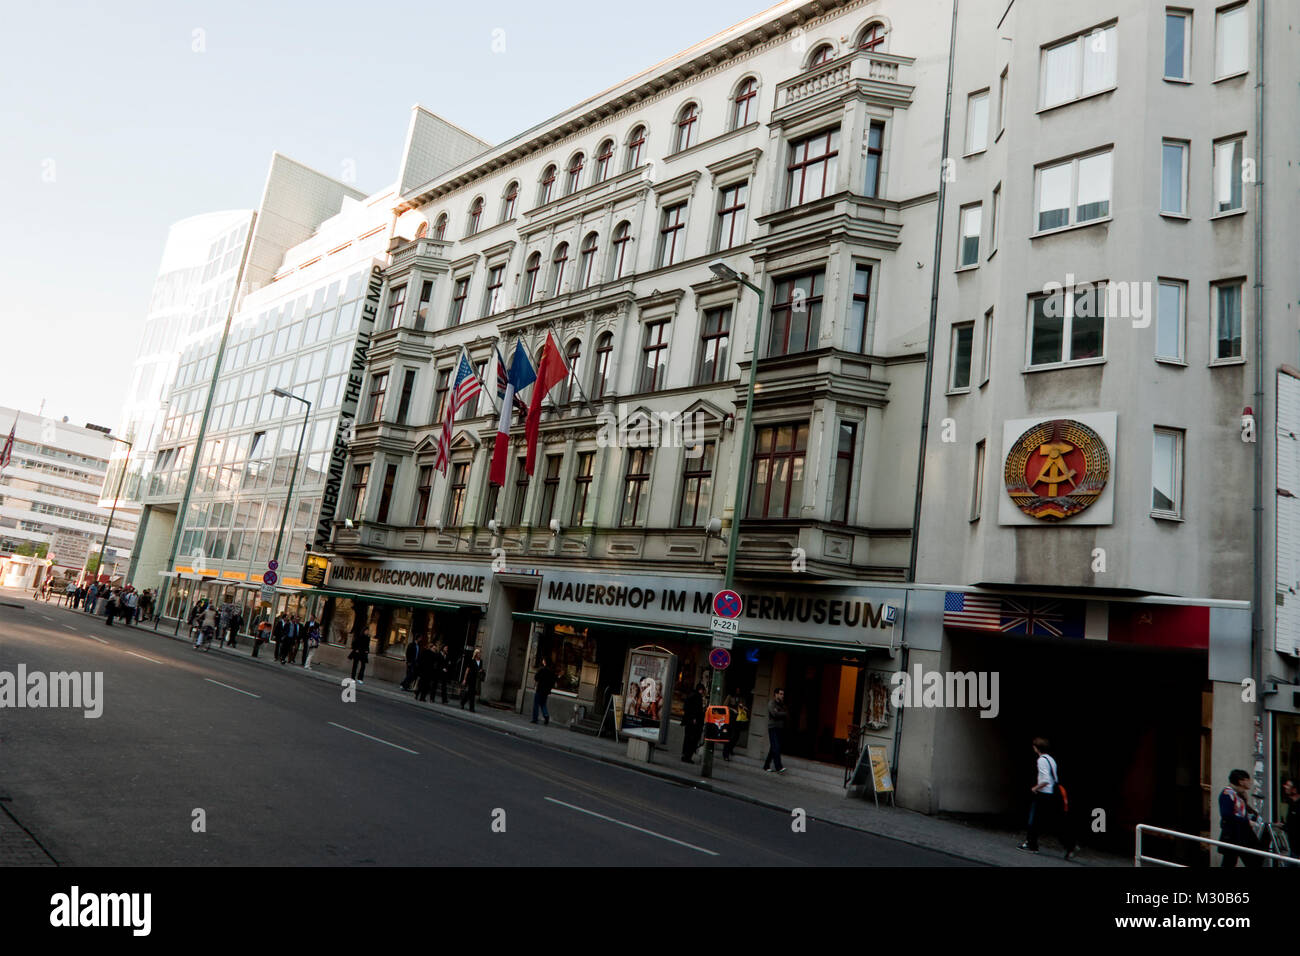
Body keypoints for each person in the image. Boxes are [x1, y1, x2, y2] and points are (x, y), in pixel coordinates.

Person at [1018, 737, 1076, 859]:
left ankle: (1031, 845)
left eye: (1034, 746)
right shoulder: (1051, 760)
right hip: (1052, 795)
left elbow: (1045, 780)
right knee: (1054, 822)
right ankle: (1069, 845)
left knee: (1033, 820)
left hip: (1043, 794)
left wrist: (1035, 788)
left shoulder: (1041, 761)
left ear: (1036, 748)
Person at [1219, 769, 1263, 867]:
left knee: (1255, 859)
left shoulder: (1239, 794)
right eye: (1248, 780)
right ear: (1241, 781)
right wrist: (1247, 822)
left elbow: (1243, 811)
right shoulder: (1228, 794)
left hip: (1243, 833)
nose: (1250, 782)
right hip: (1234, 834)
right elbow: (1227, 815)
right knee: (1231, 861)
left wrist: (1253, 817)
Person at [763, 688, 787, 774]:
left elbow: (785, 713)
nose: (782, 696)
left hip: (780, 728)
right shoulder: (771, 703)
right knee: (776, 747)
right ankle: (778, 767)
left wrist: (780, 712)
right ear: (776, 694)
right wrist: (781, 713)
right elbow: (774, 714)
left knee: (773, 748)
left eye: (783, 694)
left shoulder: (782, 704)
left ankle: (766, 765)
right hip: (773, 727)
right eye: (780, 694)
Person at [681, 683, 706, 763]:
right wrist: (694, 718)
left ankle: (685, 755)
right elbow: (697, 710)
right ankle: (688, 757)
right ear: (701, 690)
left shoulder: (690, 695)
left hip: (688, 721)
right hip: (694, 723)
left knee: (687, 739)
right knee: (692, 740)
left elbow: (685, 707)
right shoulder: (697, 697)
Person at [1281, 777, 1300, 861]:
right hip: (1293, 847)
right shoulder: (1291, 803)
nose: (1285, 786)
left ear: (1294, 790)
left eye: (1288, 785)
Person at [532, 659, 555, 725]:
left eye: (543, 660)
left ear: (544, 662)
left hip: (540, 689)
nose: (542, 661)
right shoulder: (551, 671)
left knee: (536, 704)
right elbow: (552, 682)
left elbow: (536, 678)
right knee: (543, 704)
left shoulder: (542, 669)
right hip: (546, 691)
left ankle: (535, 719)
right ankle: (546, 716)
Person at [460, 647, 483, 712]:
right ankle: (471, 708)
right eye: (478, 653)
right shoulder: (472, 660)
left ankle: (463, 702)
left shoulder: (481, 661)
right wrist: (464, 679)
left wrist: (481, 671)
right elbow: (467, 670)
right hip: (470, 678)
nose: (480, 654)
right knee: (472, 694)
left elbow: (479, 670)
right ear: (475, 654)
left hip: (476, 679)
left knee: (470, 693)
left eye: (480, 653)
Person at [722, 690, 741, 761]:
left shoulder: (738, 698)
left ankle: (730, 749)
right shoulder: (730, 696)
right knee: (729, 736)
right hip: (730, 718)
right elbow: (725, 706)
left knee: (736, 735)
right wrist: (733, 710)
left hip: (737, 718)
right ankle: (725, 754)